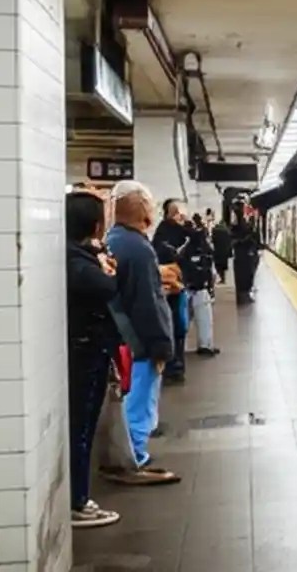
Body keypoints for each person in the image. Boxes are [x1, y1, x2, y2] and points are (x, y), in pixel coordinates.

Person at [104, 180, 181, 485]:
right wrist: (161, 345)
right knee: (140, 403)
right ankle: (134, 459)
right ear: (145, 213)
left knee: (130, 401)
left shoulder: (115, 240)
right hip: (139, 344)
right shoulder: (139, 249)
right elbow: (148, 303)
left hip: (123, 341)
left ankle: (128, 455)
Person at [65, 191, 122, 527]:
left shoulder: (76, 254)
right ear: (95, 224)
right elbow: (107, 289)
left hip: (86, 348)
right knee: (81, 426)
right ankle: (77, 501)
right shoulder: (78, 261)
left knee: (83, 426)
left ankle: (79, 497)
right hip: (86, 351)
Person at [152, 199, 192, 383]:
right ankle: (173, 366)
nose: (181, 216)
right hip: (171, 288)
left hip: (178, 286)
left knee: (179, 327)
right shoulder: (167, 233)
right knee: (175, 326)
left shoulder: (174, 231)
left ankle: (176, 365)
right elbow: (169, 255)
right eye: (178, 212)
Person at [186, 213, 220, 356]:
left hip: (186, 287)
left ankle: (180, 348)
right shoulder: (204, 247)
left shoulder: (184, 247)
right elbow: (210, 269)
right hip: (200, 287)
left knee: (184, 320)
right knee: (204, 318)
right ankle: (205, 345)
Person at [232, 205, 259, 304]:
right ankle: (244, 294)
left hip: (243, 255)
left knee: (245, 274)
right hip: (244, 255)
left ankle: (244, 293)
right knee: (246, 274)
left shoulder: (237, 225)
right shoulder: (242, 226)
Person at [211, 217, 233, 285]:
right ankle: (223, 278)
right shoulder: (227, 232)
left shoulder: (215, 231)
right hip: (224, 251)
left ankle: (222, 278)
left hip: (217, 251)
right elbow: (230, 242)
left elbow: (213, 241)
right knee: (223, 266)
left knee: (218, 266)